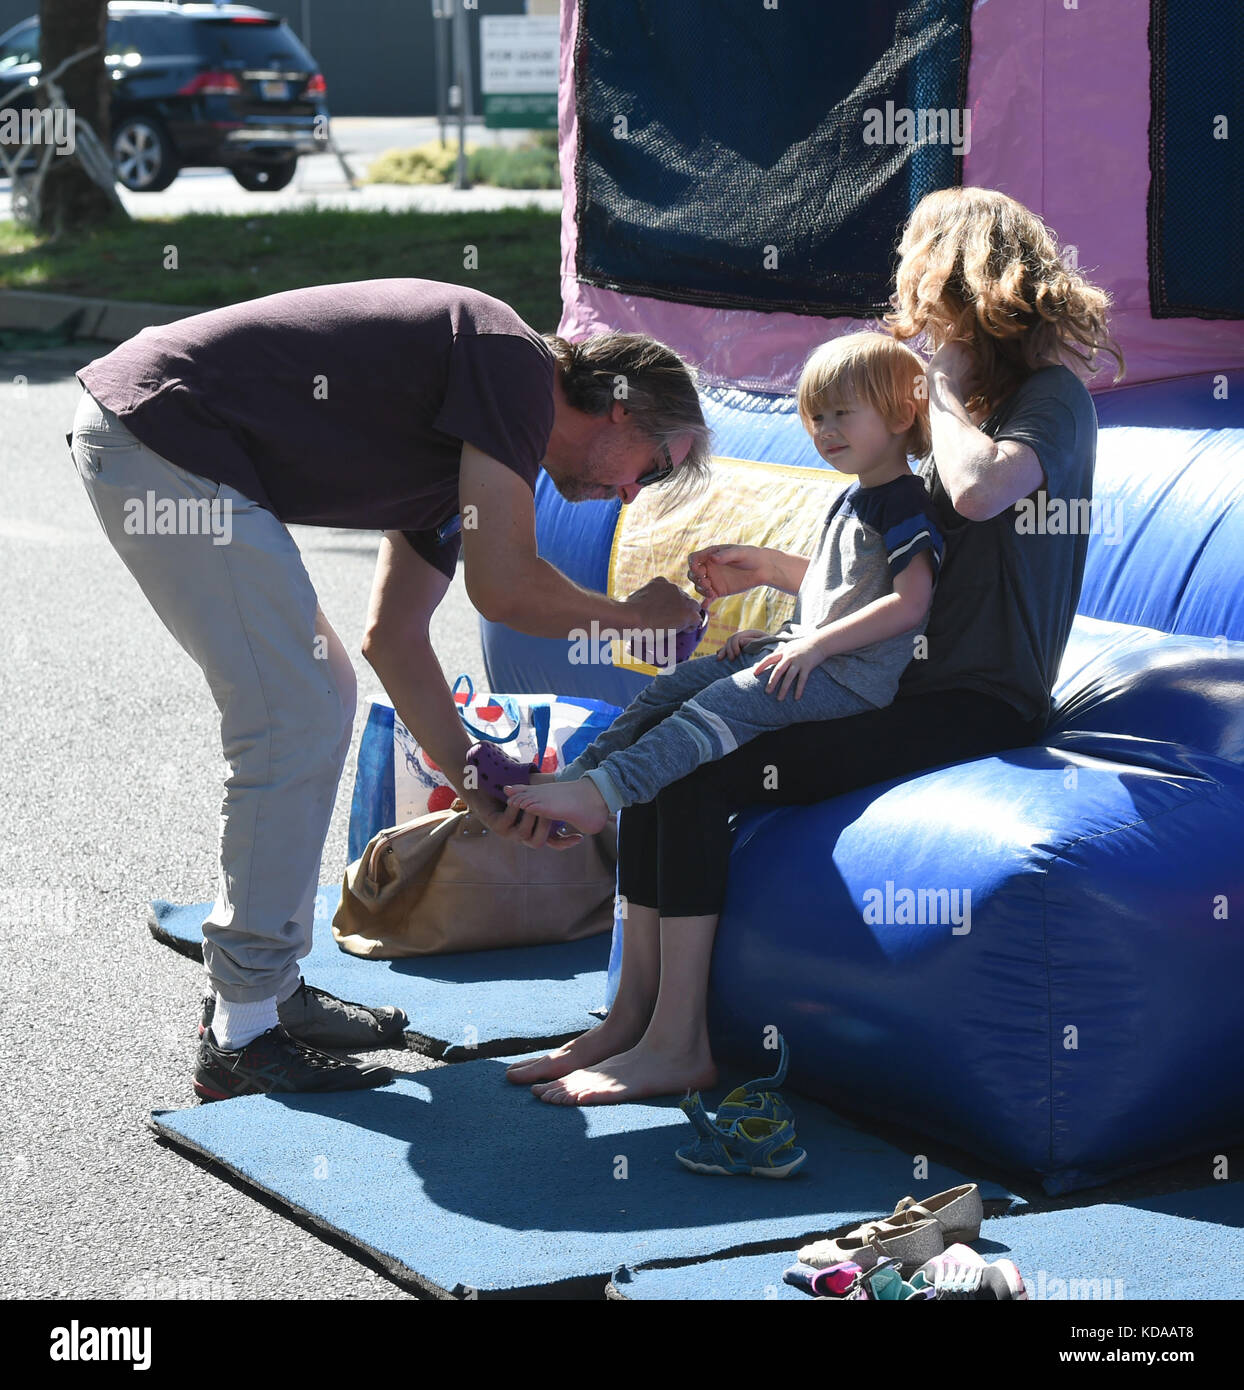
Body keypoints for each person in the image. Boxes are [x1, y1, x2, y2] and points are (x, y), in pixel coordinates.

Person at [507, 186, 1126, 1106]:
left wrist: (943, 389)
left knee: (701, 772)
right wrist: (774, 572)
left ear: (967, 293)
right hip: (888, 679)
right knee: (671, 733)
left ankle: (679, 1042)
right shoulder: (945, 426)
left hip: (971, 699)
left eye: (927, 297)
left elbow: (983, 496)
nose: (915, 320)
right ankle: (627, 1016)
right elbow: (879, 583)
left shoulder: (1045, 401)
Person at [67, 278, 708, 1101]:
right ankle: (241, 1033)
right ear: (620, 406)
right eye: (651, 471)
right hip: (158, 434)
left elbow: (394, 639)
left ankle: (270, 991)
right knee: (291, 713)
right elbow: (505, 589)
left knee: (321, 697)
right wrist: (630, 616)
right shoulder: (514, 367)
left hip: (160, 437)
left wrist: (477, 782)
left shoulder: (473, 442)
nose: (630, 495)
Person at [507, 333, 942, 834]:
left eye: (843, 413)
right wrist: (786, 630)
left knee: (721, 704)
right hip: (816, 656)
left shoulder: (906, 503)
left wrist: (814, 644)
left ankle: (603, 795)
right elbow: (844, 590)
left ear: (901, 416)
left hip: (849, 678)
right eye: (818, 417)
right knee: (671, 687)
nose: (826, 430)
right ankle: (577, 775)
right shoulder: (853, 497)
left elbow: (910, 603)